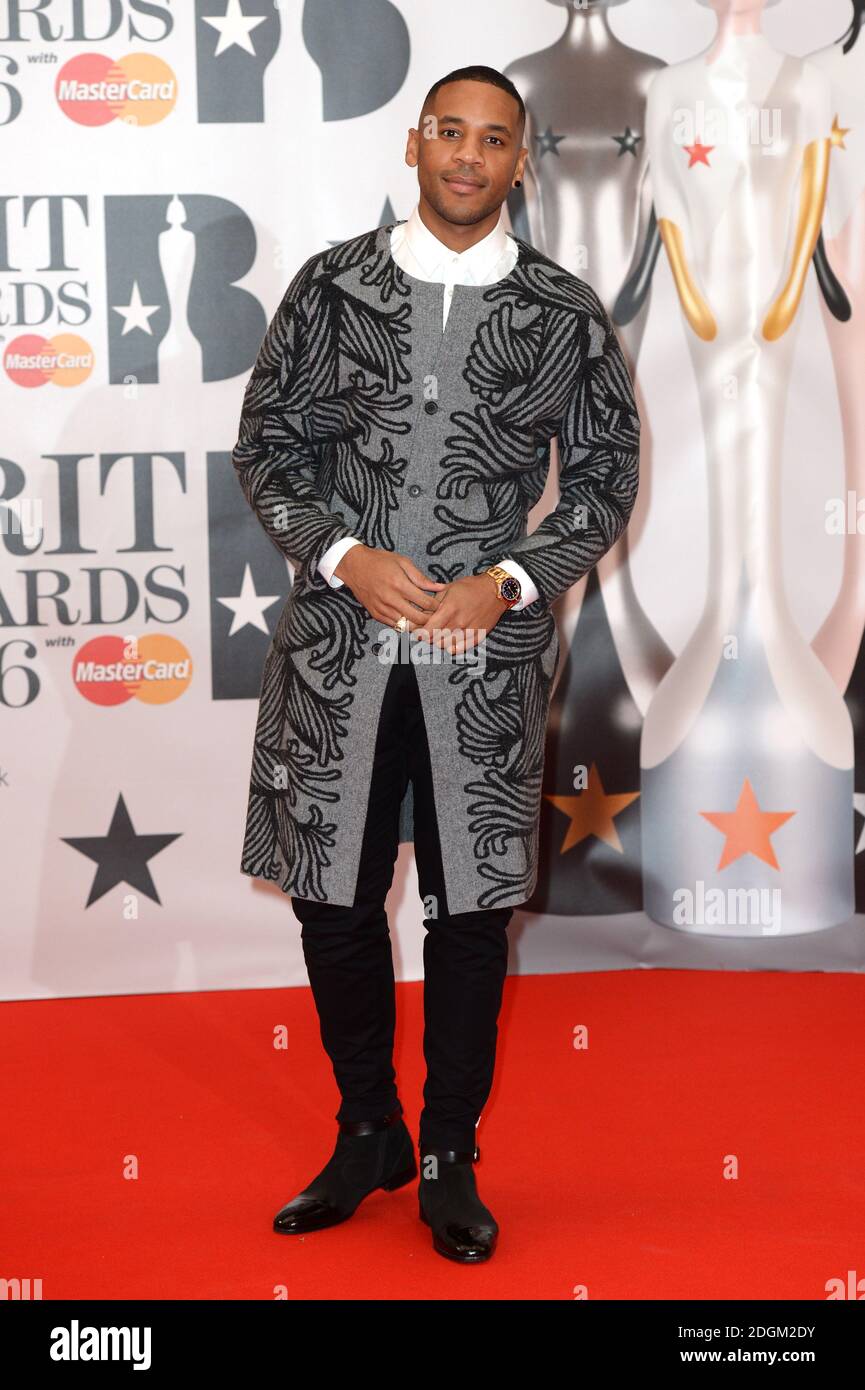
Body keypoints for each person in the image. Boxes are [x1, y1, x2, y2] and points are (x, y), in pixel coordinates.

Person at [231, 64, 640, 1263]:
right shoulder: (330, 288)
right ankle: (367, 1129)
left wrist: (508, 578)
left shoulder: (563, 311)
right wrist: (345, 553)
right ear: (414, 145)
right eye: (449, 132)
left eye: (494, 139)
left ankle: (449, 1152)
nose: (467, 155)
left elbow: (607, 479)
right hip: (336, 655)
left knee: (471, 911)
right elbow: (267, 445)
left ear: (523, 160)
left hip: (487, 659)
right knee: (333, 895)